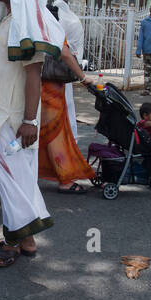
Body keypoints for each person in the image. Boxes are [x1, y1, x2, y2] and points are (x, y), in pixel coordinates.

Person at [0, 0, 73, 267]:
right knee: (10, 177)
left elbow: (34, 76)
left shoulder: (25, 23)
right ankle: (26, 238)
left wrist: (30, 121)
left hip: (13, 115)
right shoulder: (7, 19)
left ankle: (13, 241)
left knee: (12, 177)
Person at [37, 38, 97, 194]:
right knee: (55, 135)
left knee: (40, 132)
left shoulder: (27, 26)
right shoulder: (50, 28)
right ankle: (65, 179)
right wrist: (83, 78)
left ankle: (27, 175)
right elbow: (65, 54)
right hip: (51, 90)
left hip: (35, 85)